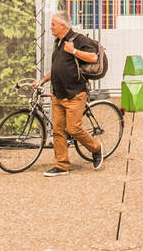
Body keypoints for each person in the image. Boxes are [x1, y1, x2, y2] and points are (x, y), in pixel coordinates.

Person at [39, 11, 104, 175]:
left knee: (73, 129)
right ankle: (61, 166)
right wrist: (43, 80)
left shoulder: (78, 39)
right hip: (58, 94)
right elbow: (57, 68)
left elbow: (93, 57)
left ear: (63, 25)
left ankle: (95, 148)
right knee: (58, 130)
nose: (51, 27)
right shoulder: (58, 42)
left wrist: (74, 51)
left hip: (75, 93)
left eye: (53, 24)